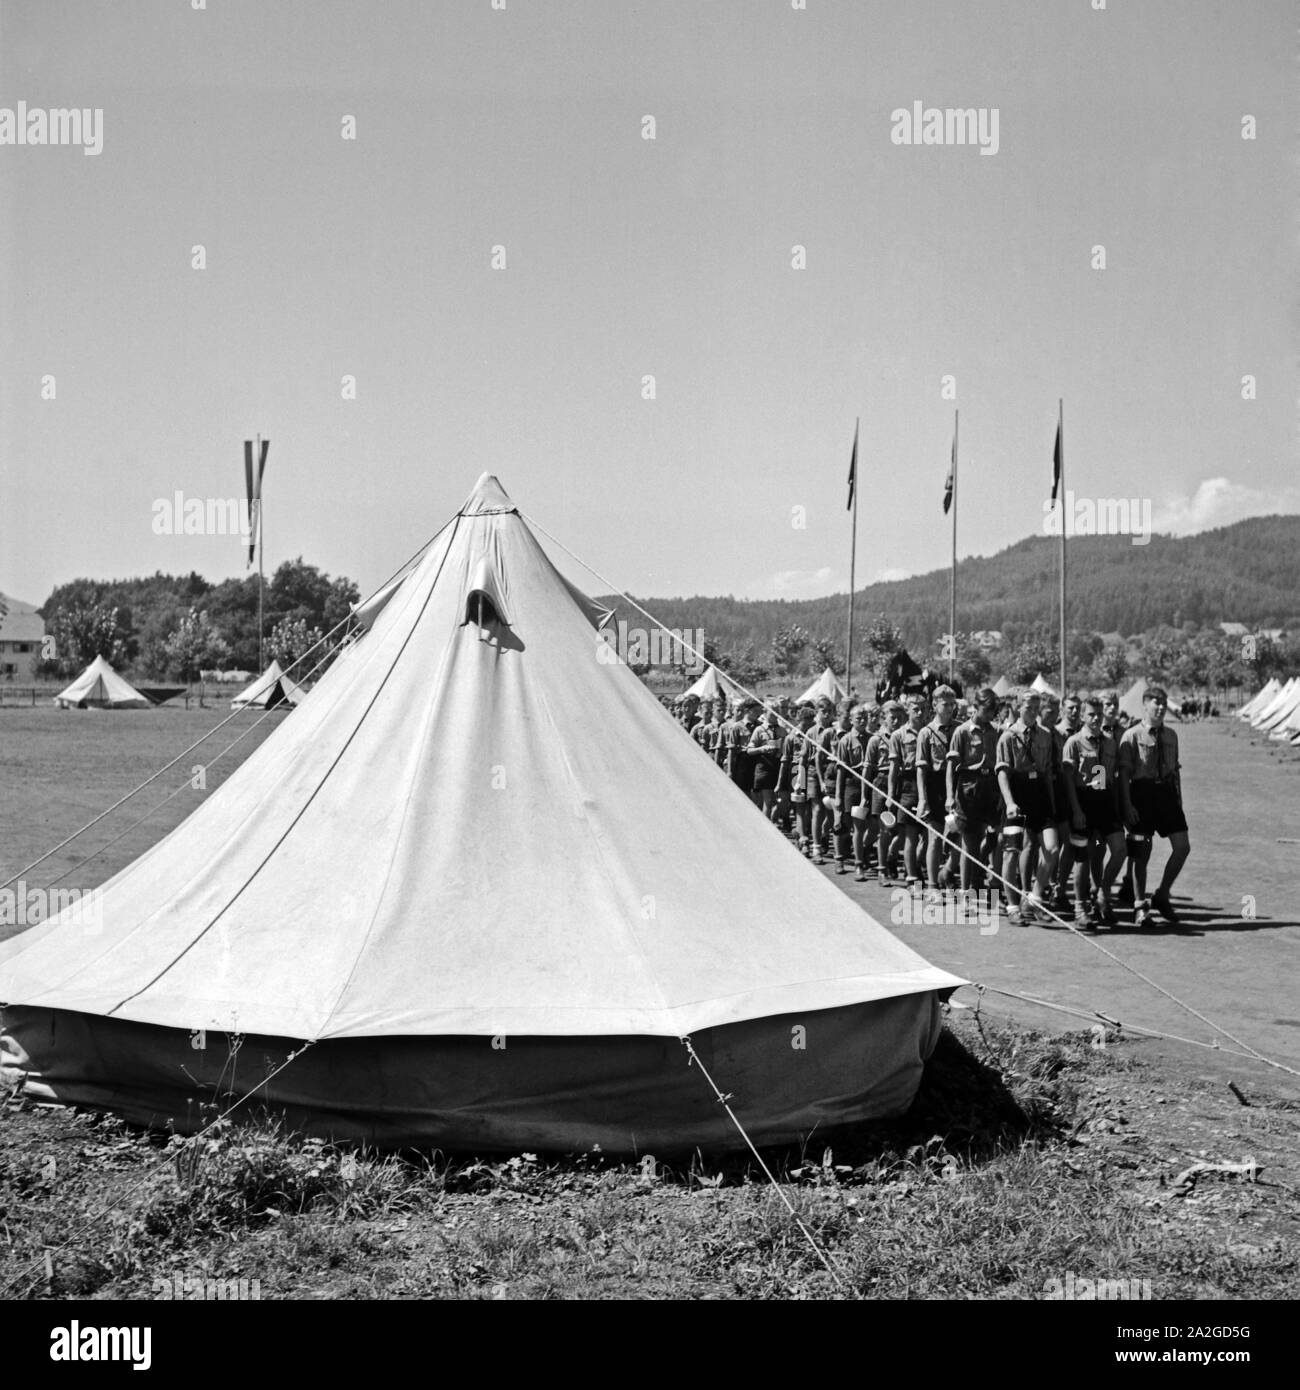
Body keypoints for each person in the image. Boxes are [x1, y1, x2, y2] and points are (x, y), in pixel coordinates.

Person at [1117, 686, 1190, 927]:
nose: (1161, 707)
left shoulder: (1171, 735)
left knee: (1182, 847)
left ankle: (1161, 894)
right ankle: (1139, 906)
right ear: (1145, 705)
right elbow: (1124, 775)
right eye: (1156, 703)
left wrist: (1178, 800)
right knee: (1141, 853)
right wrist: (1127, 806)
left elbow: (1175, 770)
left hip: (1166, 794)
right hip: (1142, 794)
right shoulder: (1131, 736)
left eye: (1164, 703)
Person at [995, 690, 1061, 925]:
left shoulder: (1045, 735)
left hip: (1040, 796)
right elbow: (1002, 772)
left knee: (1052, 849)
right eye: (1028, 707)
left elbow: (1047, 772)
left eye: (1036, 707)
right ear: (1017, 708)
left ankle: (1033, 898)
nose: (1033, 712)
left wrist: (1051, 803)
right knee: (1011, 853)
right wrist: (1010, 802)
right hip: (1016, 794)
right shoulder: (1008, 736)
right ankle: (1013, 906)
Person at [1061, 696, 1125, 928]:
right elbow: (1068, 780)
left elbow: (1114, 778)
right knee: (1083, 857)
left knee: (1120, 850)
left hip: (1105, 801)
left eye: (1099, 714)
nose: (1096, 718)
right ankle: (1080, 908)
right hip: (1083, 802)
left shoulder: (1110, 742)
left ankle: (1102, 893)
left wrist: (1119, 807)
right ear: (1082, 716)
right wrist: (1076, 810)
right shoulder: (1074, 742)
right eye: (1091, 714)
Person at [946, 686, 1003, 898]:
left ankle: (979, 878)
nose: (990, 715)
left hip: (991, 788)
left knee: (994, 838)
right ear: (976, 707)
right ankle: (966, 892)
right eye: (986, 710)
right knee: (969, 844)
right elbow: (952, 768)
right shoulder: (962, 732)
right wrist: (950, 796)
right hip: (969, 789)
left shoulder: (996, 731)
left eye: (993, 712)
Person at [916, 684, 960, 894]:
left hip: (958, 785)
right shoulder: (926, 733)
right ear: (934, 705)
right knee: (933, 838)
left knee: (958, 835)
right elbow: (921, 770)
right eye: (945, 704)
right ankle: (932, 885)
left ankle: (948, 872)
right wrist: (923, 799)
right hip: (935, 785)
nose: (950, 708)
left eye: (952, 704)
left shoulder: (961, 729)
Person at [887, 694, 927, 891]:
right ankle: (912, 878)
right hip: (909, 784)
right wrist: (890, 794)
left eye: (923, 708)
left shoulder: (931, 731)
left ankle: (917, 865)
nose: (920, 713)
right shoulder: (898, 735)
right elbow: (894, 768)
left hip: (930, 782)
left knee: (929, 836)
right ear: (907, 711)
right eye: (915, 709)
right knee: (910, 834)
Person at [866, 701, 902, 882]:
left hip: (902, 782)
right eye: (892, 718)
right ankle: (881, 867)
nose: (895, 721)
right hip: (881, 781)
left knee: (903, 829)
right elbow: (868, 769)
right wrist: (866, 795)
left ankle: (892, 856)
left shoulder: (905, 736)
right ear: (883, 718)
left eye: (899, 718)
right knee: (884, 829)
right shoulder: (876, 739)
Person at [833, 704, 871, 877]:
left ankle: (859, 863)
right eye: (858, 718)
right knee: (843, 824)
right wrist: (838, 796)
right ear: (851, 720)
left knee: (860, 826)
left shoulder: (872, 739)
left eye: (865, 718)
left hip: (867, 784)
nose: (862, 721)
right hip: (850, 784)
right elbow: (840, 770)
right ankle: (839, 858)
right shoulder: (846, 740)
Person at [748, 701, 785, 821]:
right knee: (767, 801)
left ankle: (773, 821)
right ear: (765, 712)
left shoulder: (782, 731)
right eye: (772, 712)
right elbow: (749, 750)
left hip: (779, 767)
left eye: (777, 712)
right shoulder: (759, 730)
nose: (774, 715)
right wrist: (762, 749)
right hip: (765, 767)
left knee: (781, 801)